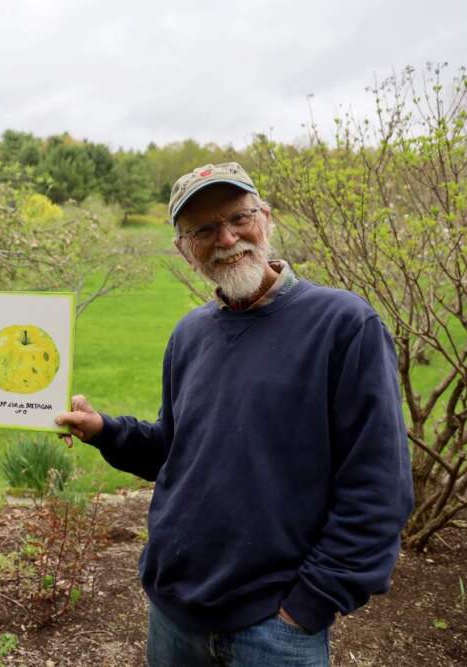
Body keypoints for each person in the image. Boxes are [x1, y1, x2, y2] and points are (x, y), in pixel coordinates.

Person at [55, 162, 414, 666]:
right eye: (203, 230)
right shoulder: (190, 335)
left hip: (273, 629)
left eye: (239, 217)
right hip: (173, 614)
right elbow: (176, 451)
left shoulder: (343, 325)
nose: (226, 238)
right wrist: (103, 431)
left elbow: (379, 484)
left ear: (265, 216)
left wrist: (310, 604)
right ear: (184, 250)